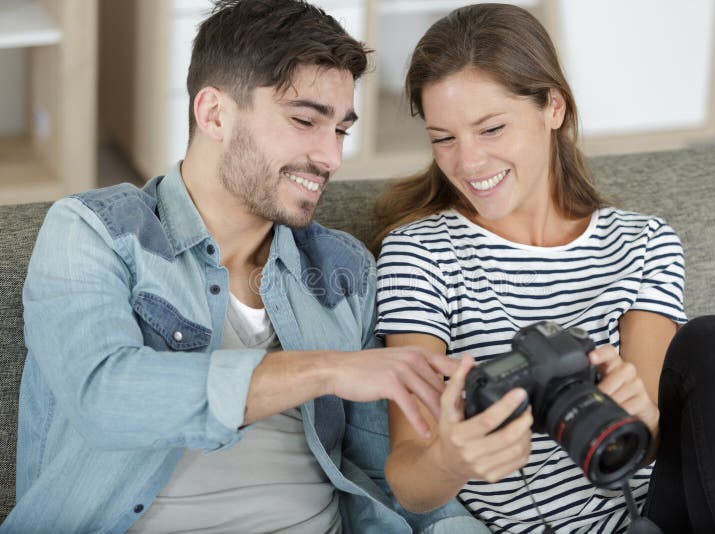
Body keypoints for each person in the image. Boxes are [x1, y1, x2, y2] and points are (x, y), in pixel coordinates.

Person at [2, 1, 480, 532]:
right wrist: (326, 369)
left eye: (340, 130)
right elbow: (104, 397)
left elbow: (390, 479)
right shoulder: (95, 232)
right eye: (305, 121)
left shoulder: (346, 274)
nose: (331, 158)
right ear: (214, 114)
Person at [372, 4, 715, 533]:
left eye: (491, 129)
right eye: (443, 138)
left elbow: (649, 443)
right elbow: (409, 481)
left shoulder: (644, 243)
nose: (469, 162)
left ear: (553, 107)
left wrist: (644, 415)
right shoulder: (419, 254)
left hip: (657, 512)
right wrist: (450, 459)